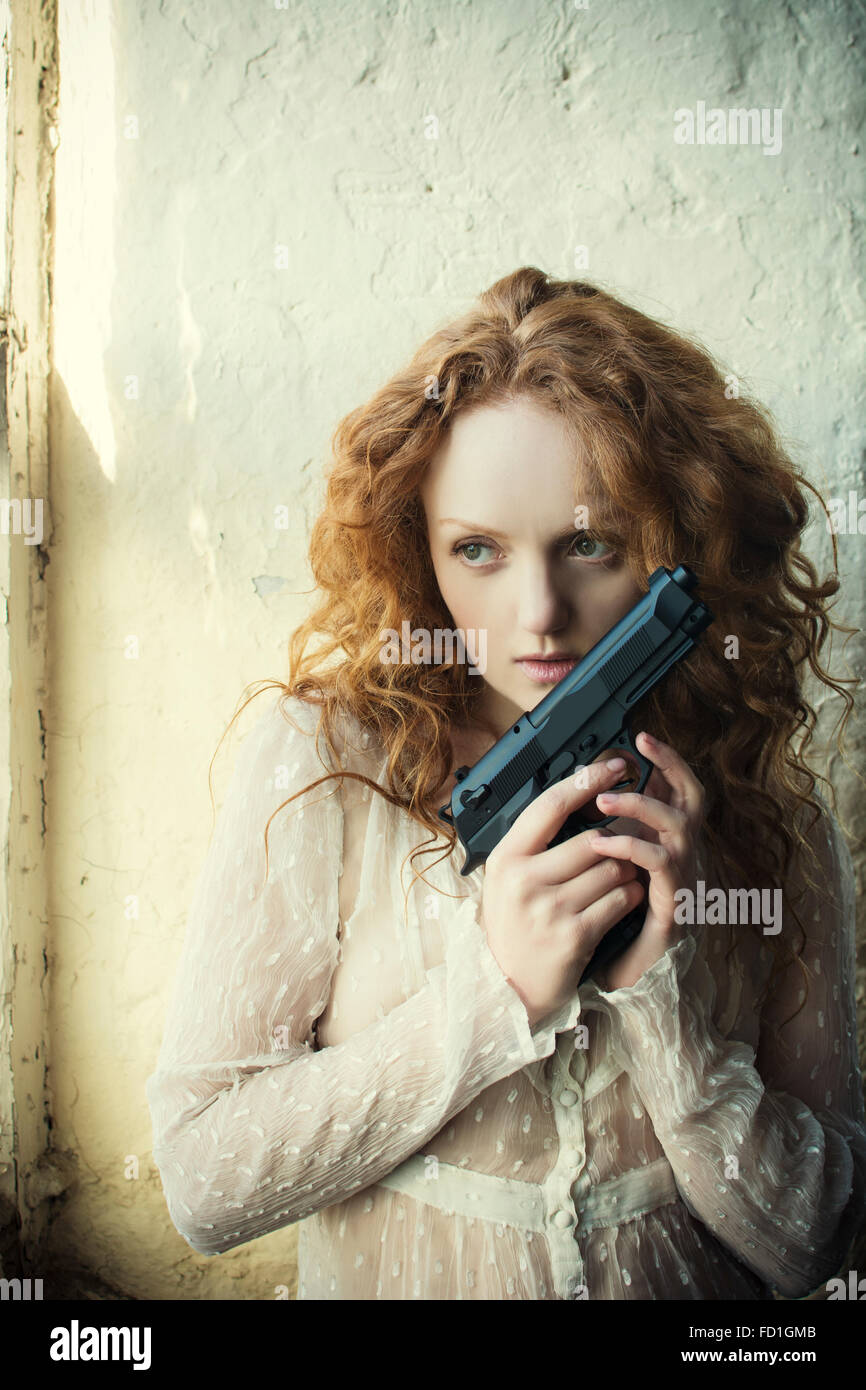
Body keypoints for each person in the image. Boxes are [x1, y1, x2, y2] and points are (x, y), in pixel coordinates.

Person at [146, 267, 866, 1300]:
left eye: (588, 544)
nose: (537, 612)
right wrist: (494, 992)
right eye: (476, 549)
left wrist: (660, 1005)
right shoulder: (330, 763)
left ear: (680, 539)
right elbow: (205, 1185)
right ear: (417, 547)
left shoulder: (768, 816)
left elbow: (814, 1245)